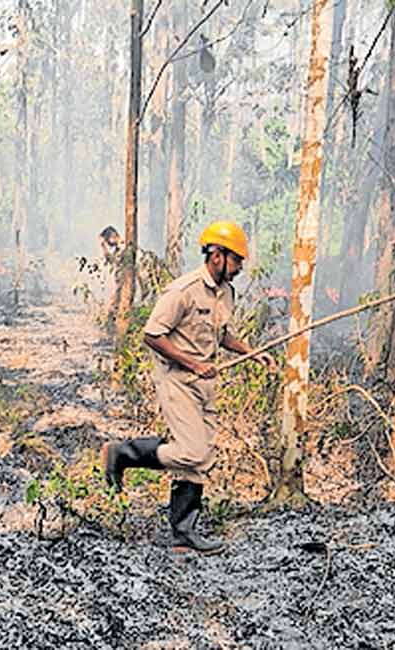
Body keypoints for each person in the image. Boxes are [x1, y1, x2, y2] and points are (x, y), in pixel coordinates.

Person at [100, 221, 274, 554]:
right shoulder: (183, 291)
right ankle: (122, 453)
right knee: (192, 450)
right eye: (236, 261)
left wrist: (253, 354)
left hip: (205, 383)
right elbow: (152, 335)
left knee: (202, 455)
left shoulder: (226, 293)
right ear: (217, 255)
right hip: (177, 379)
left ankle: (183, 532)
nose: (239, 269)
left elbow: (222, 336)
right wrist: (192, 363)